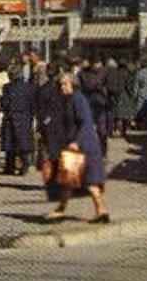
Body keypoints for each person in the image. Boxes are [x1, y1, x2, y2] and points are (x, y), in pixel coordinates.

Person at [43, 70, 109, 223]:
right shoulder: (69, 100)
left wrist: (76, 142)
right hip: (79, 147)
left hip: (84, 147)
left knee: (86, 180)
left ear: (73, 84)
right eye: (61, 85)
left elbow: (85, 122)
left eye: (65, 84)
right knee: (69, 179)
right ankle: (64, 208)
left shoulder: (78, 100)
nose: (62, 87)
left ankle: (101, 210)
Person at [0, 62, 37, 176]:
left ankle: (9, 166)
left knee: (10, 145)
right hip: (25, 117)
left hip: (10, 117)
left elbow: (4, 103)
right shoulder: (29, 87)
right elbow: (32, 104)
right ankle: (24, 166)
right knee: (23, 144)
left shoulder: (7, 87)